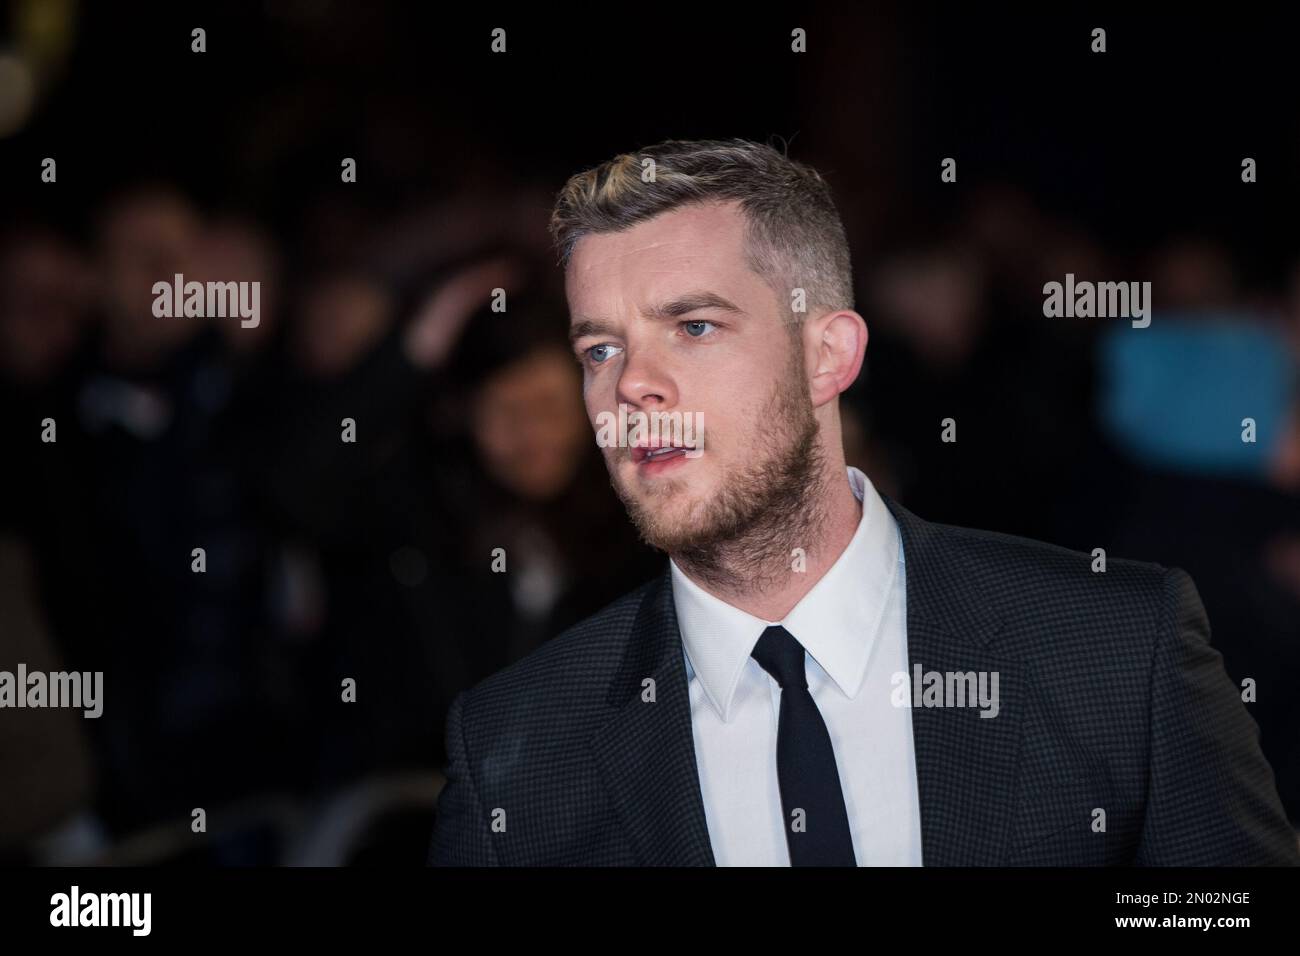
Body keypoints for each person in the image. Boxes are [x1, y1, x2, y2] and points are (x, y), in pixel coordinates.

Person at [428, 138, 1299, 866]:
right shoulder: (517, 750)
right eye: (600, 350)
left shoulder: (1113, 648)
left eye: (693, 327)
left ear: (828, 356)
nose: (635, 385)